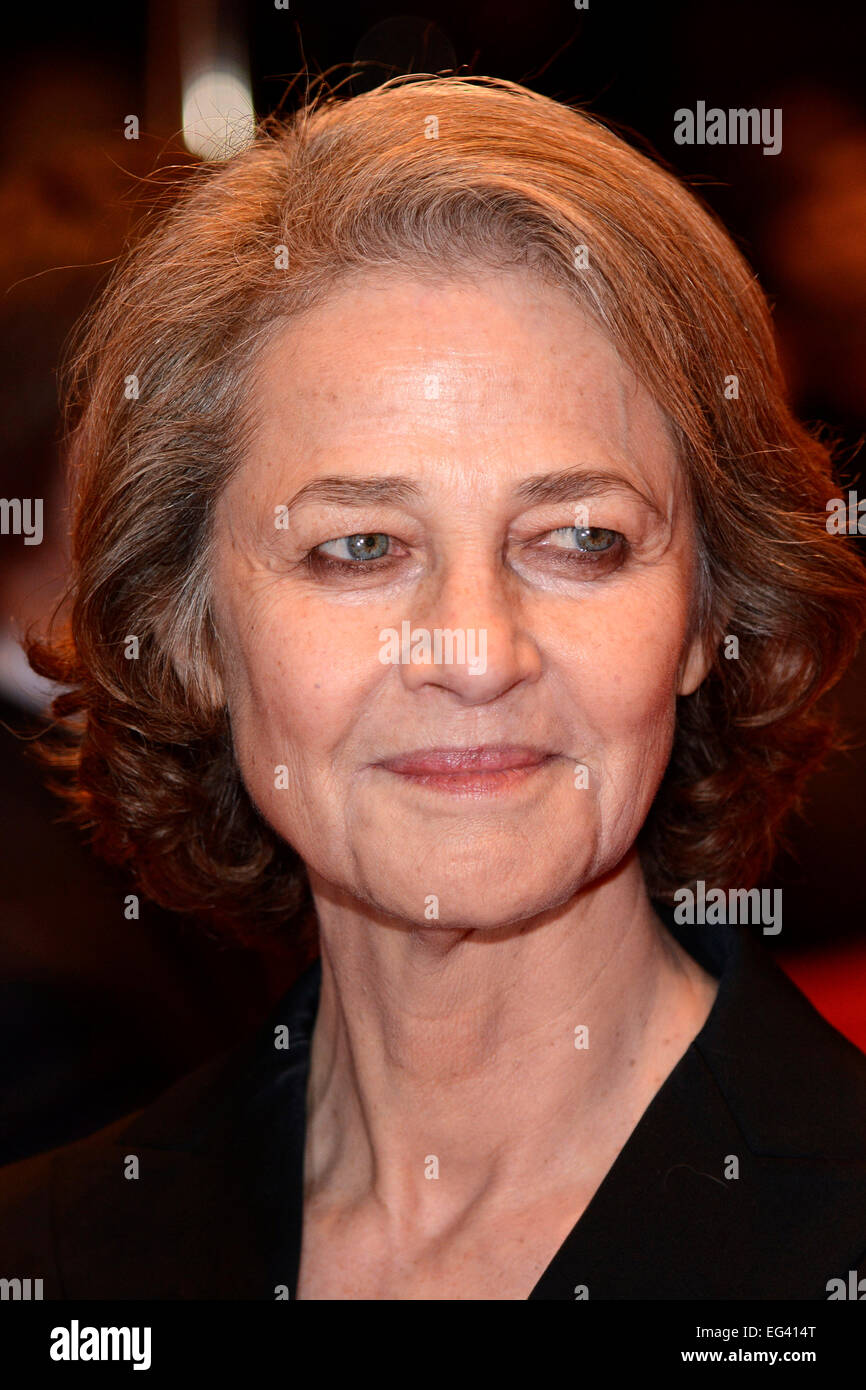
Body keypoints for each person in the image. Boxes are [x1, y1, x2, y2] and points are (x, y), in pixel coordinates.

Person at [1, 72, 865, 1300]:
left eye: (580, 539)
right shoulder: (53, 1263)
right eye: (358, 547)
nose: (473, 650)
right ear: (191, 633)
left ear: (706, 616)